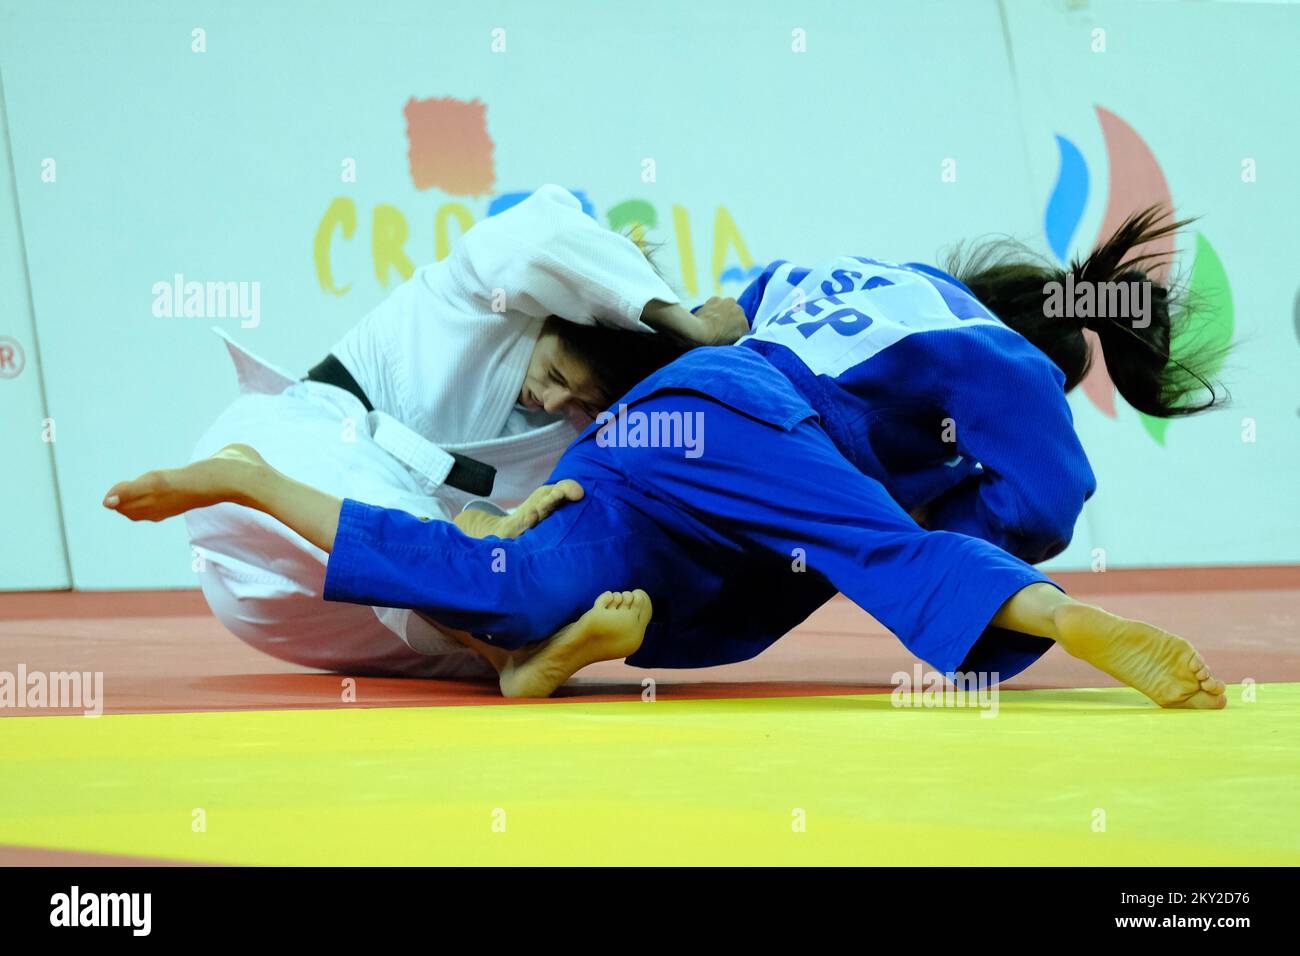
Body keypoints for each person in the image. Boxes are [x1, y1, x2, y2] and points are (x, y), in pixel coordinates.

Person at [103, 209, 1228, 708]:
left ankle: (254, 481)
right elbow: (1048, 495)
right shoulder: (1005, 364)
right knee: (874, 541)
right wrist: (974, 548)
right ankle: (1066, 618)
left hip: (663, 426)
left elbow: (714, 326)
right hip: (760, 423)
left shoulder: (843, 268)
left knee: (530, 583)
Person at [181, 184, 745, 676]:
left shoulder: (573, 432)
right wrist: (689, 327)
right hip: (279, 466)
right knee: (413, 540)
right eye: (553, 374)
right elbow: (549, 227)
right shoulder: (476, 293)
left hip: (312, 618)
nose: (551, 401)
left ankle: (510, 653)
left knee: (502, 608)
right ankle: (487, 599)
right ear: (559, 309)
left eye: (577, 400)